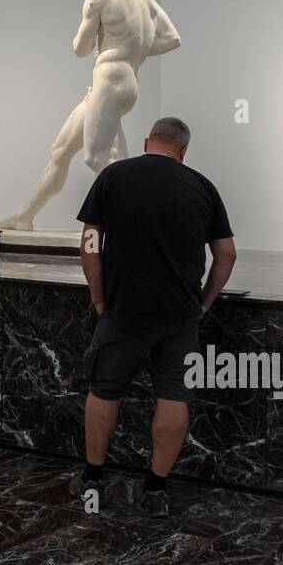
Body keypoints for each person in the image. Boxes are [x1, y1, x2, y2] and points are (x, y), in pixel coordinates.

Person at [74, 117, 236, 517]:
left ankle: (94, 478)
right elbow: (227, 253)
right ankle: (156, 489)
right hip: (180, 314)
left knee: (104, 391)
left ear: (148, 142)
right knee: (173, 396)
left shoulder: (113, 176)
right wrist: (204, 302)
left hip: (124, 310)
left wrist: (99, 300)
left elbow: (90, 243)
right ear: (183, 150)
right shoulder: (202, 186)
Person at [0, 0, 181, 231]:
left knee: (98, 158)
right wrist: (132, 49)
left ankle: (127, 225)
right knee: (61, 150)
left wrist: (109, 45)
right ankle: (24, 216)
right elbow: (171, 38)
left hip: (110, 80)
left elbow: (80, 49)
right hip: (121, 80)